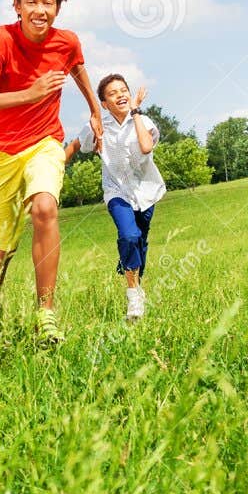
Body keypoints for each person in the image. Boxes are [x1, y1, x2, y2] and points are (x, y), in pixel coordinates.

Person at [0, 0, 101, 344]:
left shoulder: (67, 41)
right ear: (17, 4)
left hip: (45, 142)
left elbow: (77, 69)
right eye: (32, 1)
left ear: (58, 7)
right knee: (5, 244)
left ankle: (46, 313)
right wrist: (31, 93)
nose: (40, 9)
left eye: (48, 2)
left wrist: (94, 110)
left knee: (44, 208)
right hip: (1, 153)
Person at [65, 75, 166, 321]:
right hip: (116, 191)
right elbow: (76, 145)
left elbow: (146, 146)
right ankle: (134, 298)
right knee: (129, 235)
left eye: (124, 90)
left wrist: (136, 112)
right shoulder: (99, 125)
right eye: (113, 93)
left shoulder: (142, 120)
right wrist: (54, 170)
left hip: (146, 191)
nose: (120, 95)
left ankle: (133, 278)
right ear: (103, 102)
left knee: (139, 242)